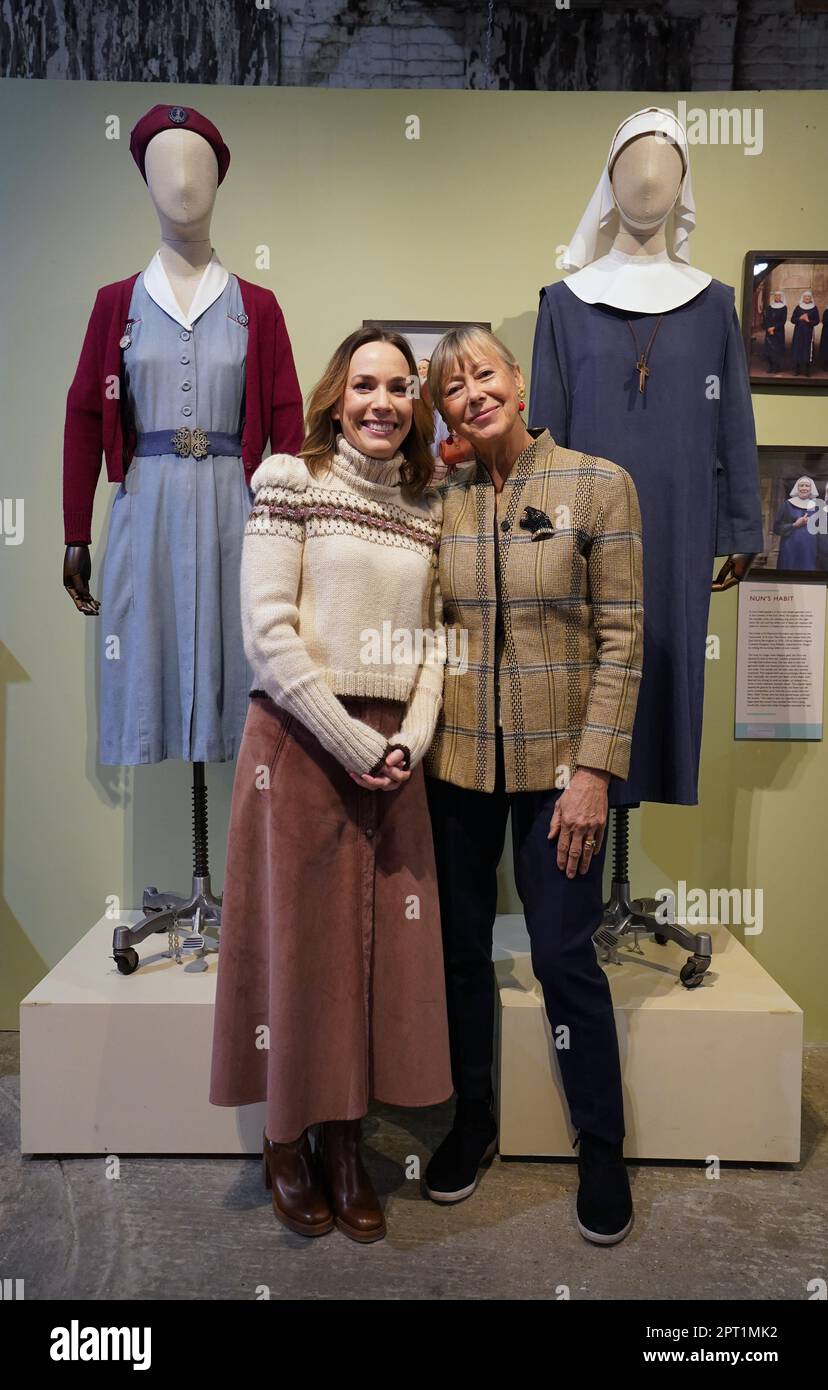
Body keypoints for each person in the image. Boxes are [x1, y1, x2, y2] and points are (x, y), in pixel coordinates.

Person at [209, 326, 453, 1242]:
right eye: (365, 386)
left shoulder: (429, 509)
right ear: (335, 397)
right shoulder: (289, 482)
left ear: (414, 404)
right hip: (303, 745)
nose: (382, 402)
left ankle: (347, 1145)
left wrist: (412, 739)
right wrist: (349, 736)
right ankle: (285, 1142)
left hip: (392, 758)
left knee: (374, 959)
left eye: (399, 387)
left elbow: (436, 638)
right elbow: (267, 635)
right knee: (298, 954)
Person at [421, 326, 644, 1245]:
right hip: (458, 764)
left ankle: (601, 1143)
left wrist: (593, 771)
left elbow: (623, 642)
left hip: (561, 770)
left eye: (483, 373)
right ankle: (472, 1121)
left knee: (560, 954)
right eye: (451, 387)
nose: (471, 392)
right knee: (460, 950)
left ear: (517, 380)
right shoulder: (441, 498)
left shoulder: (600, 484)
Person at [773, 476, 821, 571]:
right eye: (801, 485)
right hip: (790, 549)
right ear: (797, 488)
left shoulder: (816, 507)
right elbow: (777, 528)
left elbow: (820, 531)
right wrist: (794, 525)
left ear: (811, 489)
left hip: (809, 550)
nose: (804, 488)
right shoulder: (787, 504)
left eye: (807, 486)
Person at [791, 292, 819, 376]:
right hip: (798, 332)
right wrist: (800, 318)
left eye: (809, 297)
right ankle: (797, 369)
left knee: (807, 350)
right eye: (805, 296)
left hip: (808, 333)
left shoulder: (814, 308)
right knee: (797, 349)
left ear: (811, 298)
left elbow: (817, 321)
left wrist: (808, 321)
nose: (807, 298)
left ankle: (807, 370)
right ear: (802, 298)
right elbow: (792, 319)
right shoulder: (798, 307)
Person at [762, 290, 787, 373]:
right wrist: (768, 328)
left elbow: (783, 320)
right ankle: (771, 366)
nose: (777, 297)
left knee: (777, 349)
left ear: (781, 297)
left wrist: (774, 328)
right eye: (776, 296)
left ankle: (777, 367)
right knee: (769, 349)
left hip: (778, 332)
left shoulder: (784, 307)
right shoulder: (770, 307)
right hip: (769, 331)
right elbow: (766, 318)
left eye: (779, 296)